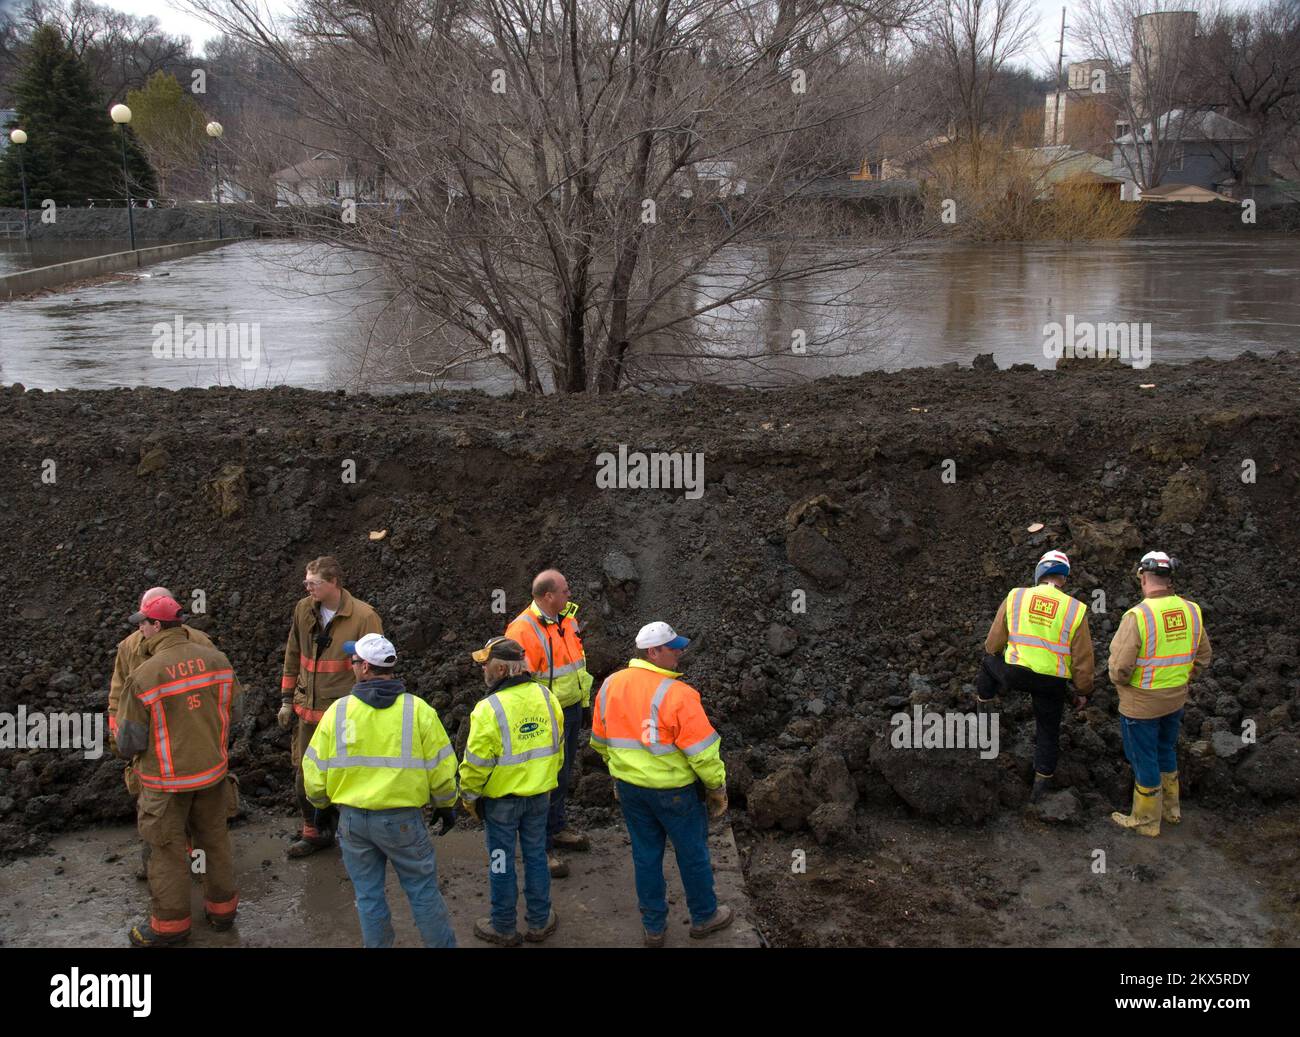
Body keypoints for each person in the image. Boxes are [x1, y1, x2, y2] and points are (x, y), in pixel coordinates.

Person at [302, 633, 460, 947]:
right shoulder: (418, 711)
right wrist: (445, 805)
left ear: (363, 668)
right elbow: (443, 769)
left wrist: (319, 806)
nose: (351, 665)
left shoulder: (338, 712)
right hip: (401, 821)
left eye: (354, 660)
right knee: (423, 892)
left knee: (369, 896)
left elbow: (314, 770)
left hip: (353, 822)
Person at [591, 621, 732, 947]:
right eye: (673, 648)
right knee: (693, 853)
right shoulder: (679, 695)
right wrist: (716, 787)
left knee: (645, 855)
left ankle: (654, 927)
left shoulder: (611, 685)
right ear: (653, 652)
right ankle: (704, 916)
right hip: (675, 794)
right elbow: (703, 754)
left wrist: (618, 770)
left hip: (631, 790)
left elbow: (599, 741)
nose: (680, 653)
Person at [115, 595, 243, 946]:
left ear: (157, 626)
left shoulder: (144, 674)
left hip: (165, 783)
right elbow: (238, 712)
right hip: (213, 774)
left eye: (143, 622)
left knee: (167, 851)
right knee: (214, 842)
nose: (140, 628)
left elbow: (129, 741)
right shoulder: (217, 661)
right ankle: (223, 912)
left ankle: (169, 928)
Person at [459, 636, 564, 946]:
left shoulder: (488, 709)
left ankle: (503, 926)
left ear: (502, 669)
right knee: (535, 856)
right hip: (538, 798)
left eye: (486, 666)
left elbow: (476, 764)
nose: (483, 672)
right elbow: (558, 749)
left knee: (501, 861)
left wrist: (469, 797)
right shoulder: (546, 697)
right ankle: (540, 921)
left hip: (501, 804)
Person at [279, 555, 383, 857]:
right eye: (306, 582)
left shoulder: (363, 617)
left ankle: (354, 833)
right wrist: (287, 700)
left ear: (334, 583)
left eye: (314, 583)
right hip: (308, 714)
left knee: (349, 775)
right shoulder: (303, 610)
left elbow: (375, 666)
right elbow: (293, 653)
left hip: (346, 716)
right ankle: (314, 832)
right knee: (305, 774)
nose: (307, 587)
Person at [109, 585, 214, 879]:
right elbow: (118, 698)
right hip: (159, 746)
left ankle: (192, 865)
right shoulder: (130, 648)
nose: (142, 627)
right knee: (158, 818)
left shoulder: (199, 643)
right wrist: (121, 740)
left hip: (184, 742)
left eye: (145, 620)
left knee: (184, 815)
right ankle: (161, 864)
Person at [976, 549, 1095, 802]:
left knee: (988, 663)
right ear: (1064, 579)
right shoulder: (1075, 609)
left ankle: (984, 712)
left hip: (1014, 673)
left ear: (1039, 572)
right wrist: (1083, 691)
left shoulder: (1016, 596)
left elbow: (993, 642)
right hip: (1051, 684)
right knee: (1048, 731)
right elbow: (1083, 660)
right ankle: (1039, 791)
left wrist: (995, 654)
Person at [1108, 550, 1211, 837]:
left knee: (1143, 758)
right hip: (1176, 699)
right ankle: (1171, 810)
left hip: (1141, 704)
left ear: (1143, 577)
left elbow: (1120, 668)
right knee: (1165, 749)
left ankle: (1146, 821)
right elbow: (1203, 657)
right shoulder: (1191, 610)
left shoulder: (1138, 616)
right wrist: (1183, 678)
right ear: (1170, 579)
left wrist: (1120, 685)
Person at [505, 569, 594, 878]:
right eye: (565, 590)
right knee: (543, 780)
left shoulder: (566, 620)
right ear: (547, 596)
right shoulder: (521, 630)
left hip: (567, 711)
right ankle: (539, 847)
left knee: (562, 773)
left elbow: (577, 666)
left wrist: (583, 704)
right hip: (542, 718)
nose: (570, 594)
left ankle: (556, 828)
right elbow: (516, 683)